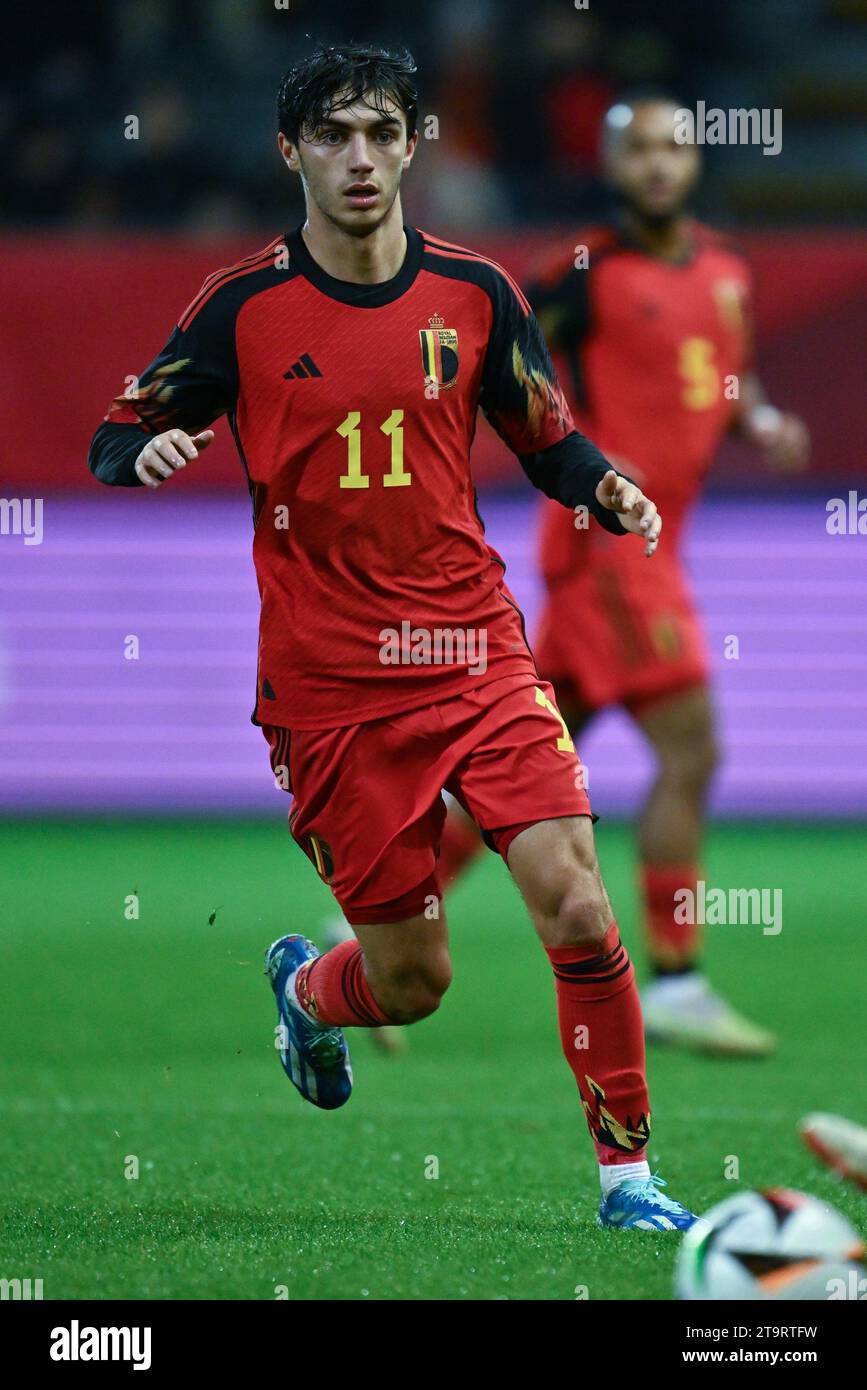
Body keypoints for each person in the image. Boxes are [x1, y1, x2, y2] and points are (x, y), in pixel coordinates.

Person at [88, 45, 695, 1231]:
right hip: (329, 690)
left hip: (475, 650)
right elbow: (121, 428)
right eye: (331, 135)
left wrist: (603, 486)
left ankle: (630, 1178)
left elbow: (546, 438)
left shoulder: (476, 292)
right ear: (291, 152)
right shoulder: (241, 309)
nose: (357, 158)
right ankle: (310, 995)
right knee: (413, 983)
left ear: (416, 142)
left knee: (575, 901)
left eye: (379, 132)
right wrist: (146, 452)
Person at [438, 93, 810, 1057]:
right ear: (612, 164)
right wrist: (583, 453)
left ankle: (369, 923)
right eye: (638, 149)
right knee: (692, 750)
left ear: (692, 162)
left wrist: (757, 420)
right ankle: (679, 977)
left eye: (672, 148)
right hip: (609, 547)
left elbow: (723, 378)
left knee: (511, 773)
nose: (657, 165)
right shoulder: (577, 272)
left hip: (650, 550)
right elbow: (501, 365)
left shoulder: (727, 270)